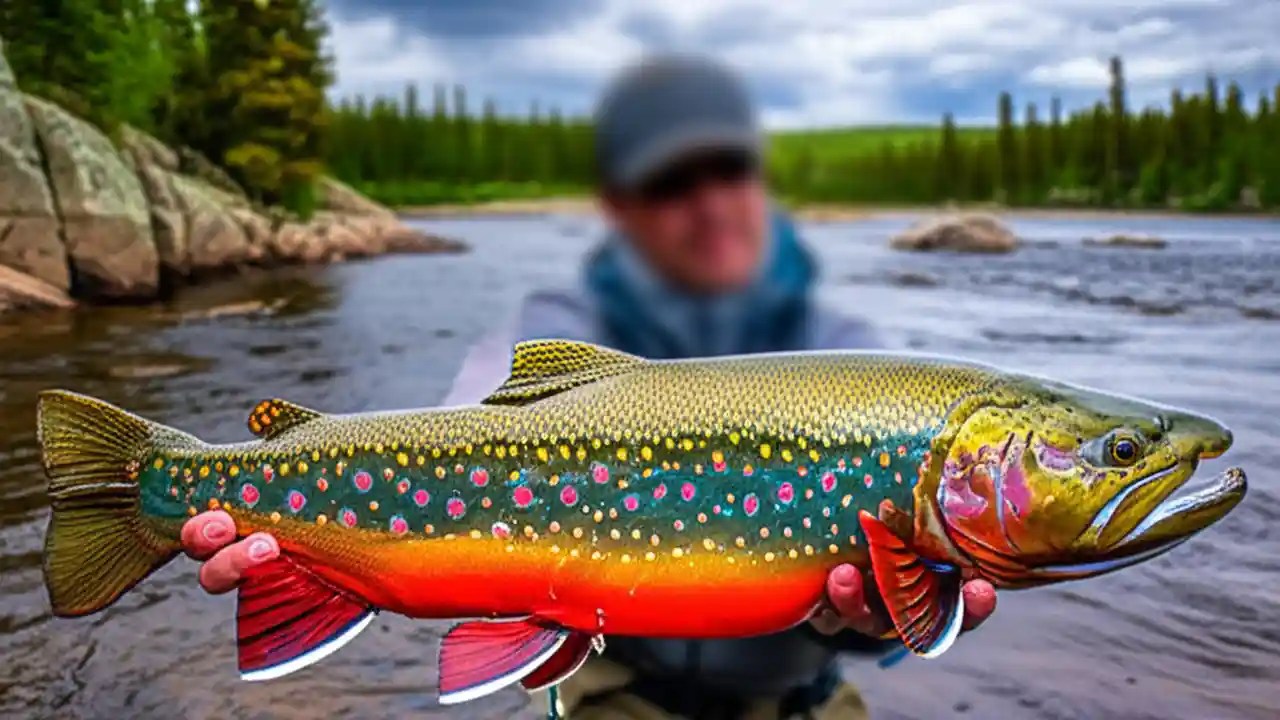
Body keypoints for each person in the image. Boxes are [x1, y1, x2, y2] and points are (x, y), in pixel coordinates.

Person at [181, 55, 997, 719]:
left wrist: (874, 621)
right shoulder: (549, 325)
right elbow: (444, 460)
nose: (709, 203)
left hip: (803, 700)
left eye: (728, 171)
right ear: (620, 203)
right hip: (611, 693)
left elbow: (901, 620)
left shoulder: (852, 355)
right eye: (673, 182)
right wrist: (285, 519)